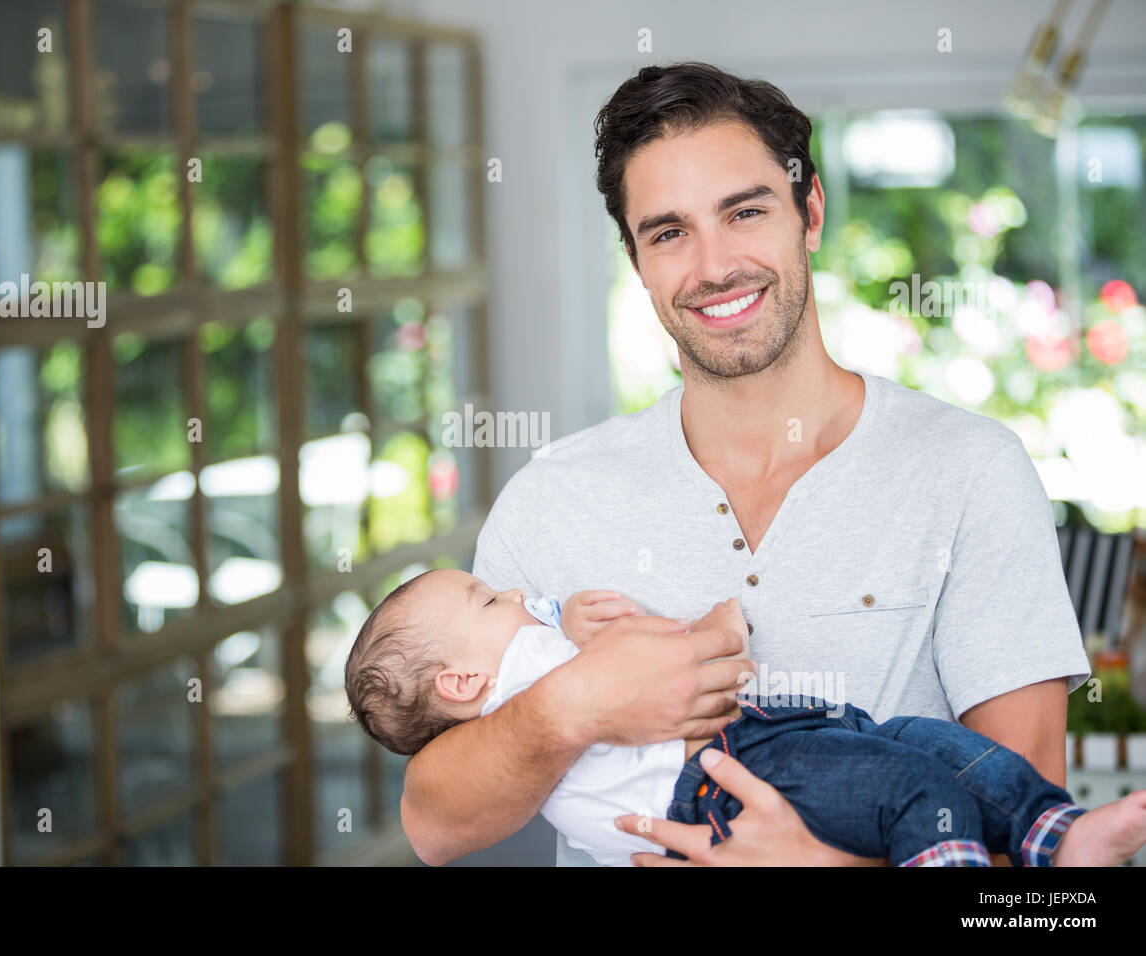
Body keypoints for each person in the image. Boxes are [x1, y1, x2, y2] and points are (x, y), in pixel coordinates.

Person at [400, 62, 1092, 867]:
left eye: (746, 211)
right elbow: (437, 824)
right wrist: (578, 700)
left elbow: (1036, 839)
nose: (714, 265)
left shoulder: (971, 470)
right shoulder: (550, 500)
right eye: (668, 232)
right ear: (637, 260)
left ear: (811, 212)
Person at [348, 572, 1146, 866]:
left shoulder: (516, 656)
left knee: (934, 749)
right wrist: (699, 629)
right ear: (458, 683)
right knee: (911, 776)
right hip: (725, 779)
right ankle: (1042, 836)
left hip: (793, 736)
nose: (519, 595)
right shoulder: (520, 671)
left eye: (745, 209)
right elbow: (432, 827)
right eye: (491, 599)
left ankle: (1053, 837)